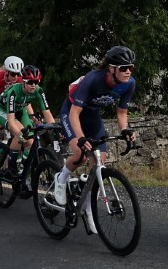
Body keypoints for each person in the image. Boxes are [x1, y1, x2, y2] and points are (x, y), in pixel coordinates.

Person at [58, 46, 139, 228]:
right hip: (72, 113)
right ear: (111, 68)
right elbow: (74, 114)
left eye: (130, 68)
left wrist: (125, 129)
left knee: (100, 160)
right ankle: (61, 179)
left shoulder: (129, 83)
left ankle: (88, 207)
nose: (128, 72)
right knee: (79, 153)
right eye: (123, 68)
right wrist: (81, 138)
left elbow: (122, 111)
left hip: (92, 116)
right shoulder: (92, 79)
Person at [0, 63, 57, 183]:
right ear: (23, 82)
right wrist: (19, 134)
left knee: (31, 140)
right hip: (3, 111)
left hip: (20, 110)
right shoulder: (13, 92)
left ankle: (21, 165)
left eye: (36, 82)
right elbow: (11, 121)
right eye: (30, 82)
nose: (33, 85)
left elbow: (47, 112)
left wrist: (54, 128)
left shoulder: (38, 91)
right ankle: (10, 170)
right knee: (20, 133)